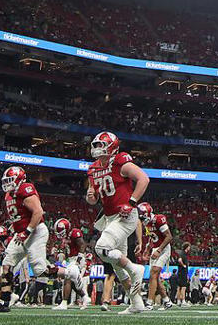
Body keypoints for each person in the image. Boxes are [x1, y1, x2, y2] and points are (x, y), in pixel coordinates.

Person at [86, 131, 150, 314]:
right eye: (96, 145)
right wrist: (91, 196)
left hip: (124, 216)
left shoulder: (120, 161)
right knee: (118, 269)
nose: (98, 148)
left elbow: (144, 179)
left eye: (101, 145)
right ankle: (137, 303)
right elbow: (93, 198)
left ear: (112, 147)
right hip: (109, 218)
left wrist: (131, 202)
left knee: (102, 248)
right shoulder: (92, 169)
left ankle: (135, 269)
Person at [0, 166, 49, 313]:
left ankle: (69, 273)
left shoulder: (25, 189)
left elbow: (38, 212)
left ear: (19, 179)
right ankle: (4, 303)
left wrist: (26, 232)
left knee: (40, 270)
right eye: (5, 181)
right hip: (21, 233)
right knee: (7, 264)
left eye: (10, 180)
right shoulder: (9, 195)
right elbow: (18, 217)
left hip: (35, 231)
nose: (7, 184)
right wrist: (16, 231)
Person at [137, 203, 173, 310]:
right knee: (155, 277)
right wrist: (147, 250)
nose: (142, 220)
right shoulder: (147, 223)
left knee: (153, 273)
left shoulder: (158, 219)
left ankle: (149, 303)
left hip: (164, 249)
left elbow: (169, 236)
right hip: (155, 248)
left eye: (143, 217)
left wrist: (159, 250)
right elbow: (152, 238)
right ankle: (167, 301)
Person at [51, 218, 90, 310]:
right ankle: (85, 297)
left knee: (68, 278)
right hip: (71, 260)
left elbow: (82, 244)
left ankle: (64, 303)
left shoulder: (74, 232)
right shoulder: (66, 237)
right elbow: (67, 250)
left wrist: (79, 258)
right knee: (72, 282)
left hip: (77, 258)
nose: (60, 235)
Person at [175, 242, 191, 307]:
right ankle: (183, 301)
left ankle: (178, 301)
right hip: (183, 272)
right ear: (187, 247)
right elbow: (179, 260)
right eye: (189, 247)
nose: (189, 248)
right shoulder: (183, 253)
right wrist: (183, 265)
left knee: (179, 287)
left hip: (180, 272)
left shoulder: (181, 253)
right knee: (183, 287)